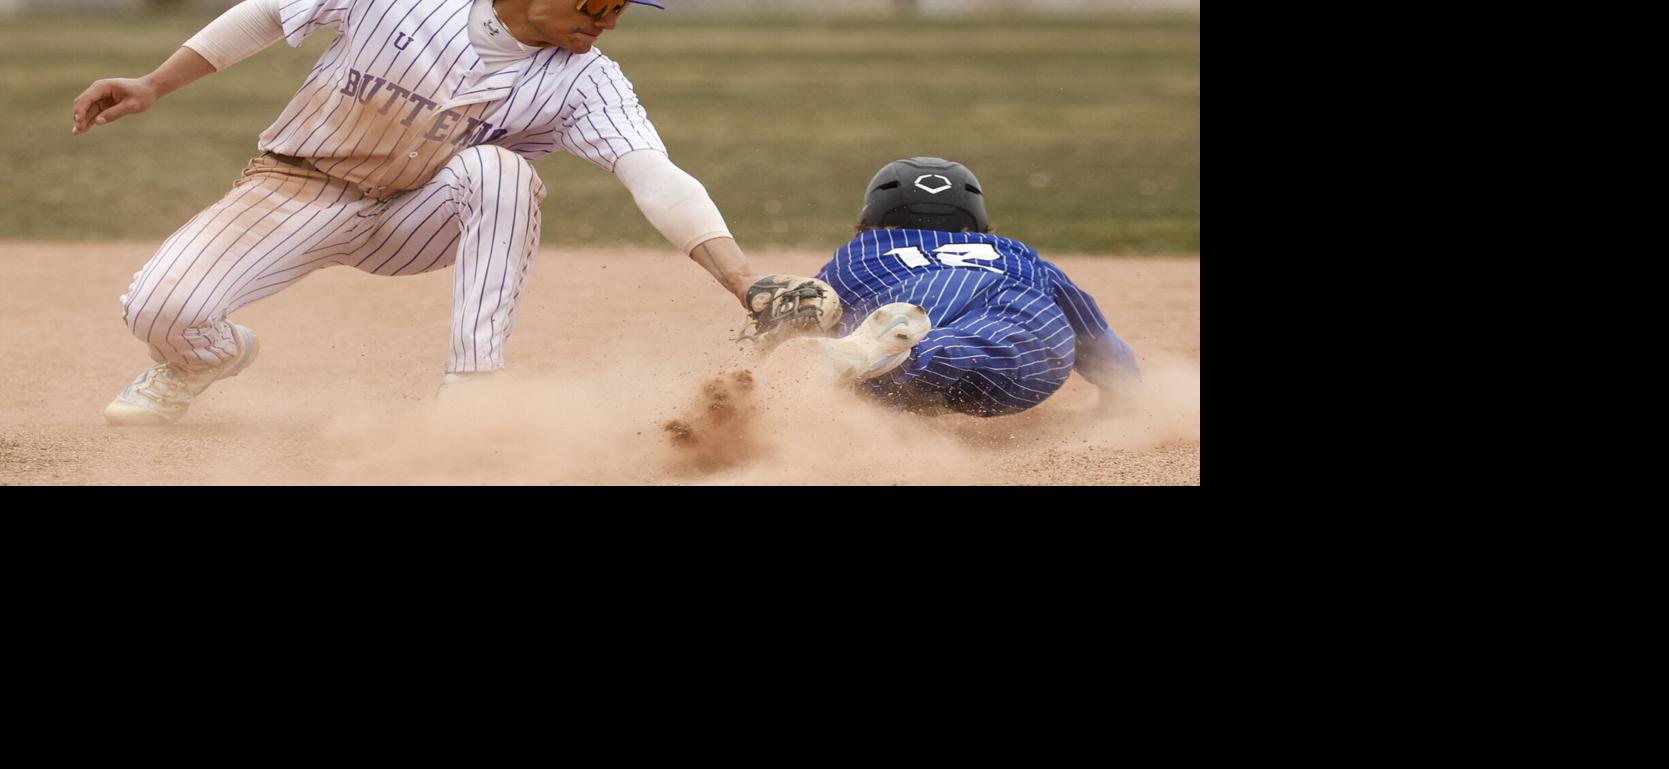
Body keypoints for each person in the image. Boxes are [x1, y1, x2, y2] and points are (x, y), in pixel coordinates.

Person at [73, 0, 778, 424]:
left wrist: (745, 282)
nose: (606, 21)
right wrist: (155, 83)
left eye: (618, 8)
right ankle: (203, 359)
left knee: (498, 171)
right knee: (158, 311)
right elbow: (270, 13)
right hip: (292, 187)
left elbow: (652, 172)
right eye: (591, 3)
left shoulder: (588, 80)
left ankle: (472, 387)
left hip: (415, 215)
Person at [767, 156, 1143, 417]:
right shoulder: (1014, 252)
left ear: (875, 213)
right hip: (1028, 315)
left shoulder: (858, 255)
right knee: (990, 345)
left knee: (892, 362)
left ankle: (897, 353)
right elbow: (1100, 344)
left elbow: (817, 317)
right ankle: (896, 350)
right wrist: (1123, 396)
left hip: (916, 305)